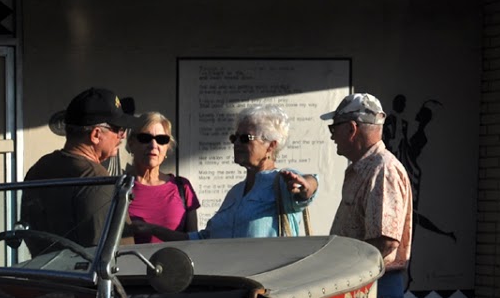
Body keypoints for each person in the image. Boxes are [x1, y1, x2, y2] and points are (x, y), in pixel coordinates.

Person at [323, 91, 414, 298]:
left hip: (374, 285)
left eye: (333, 128)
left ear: (351, 129)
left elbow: (384, 241)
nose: (332, 136)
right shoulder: (366, 168)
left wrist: (346, 276)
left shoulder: (382, 170)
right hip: (364, 284)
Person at [144, 105, 318, 242]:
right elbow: (204, 239)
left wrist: (306, 186)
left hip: (271, 285)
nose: (237, 144)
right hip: (237, 284)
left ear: (271, 146)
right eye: (234, 138)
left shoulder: (282, 181)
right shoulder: (235, 193)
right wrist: (152, 229)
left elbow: (308, 185)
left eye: (245, 139)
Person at [19, 87, 129, 255]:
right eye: (118, 129)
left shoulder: (40, 168)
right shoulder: (96, 179)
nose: (122, 136)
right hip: (83, 279)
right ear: (96, 135)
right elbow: (104, 254)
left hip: (43, 275)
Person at [122, 111, 199, 245]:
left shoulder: (182, 187)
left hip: (174, 264)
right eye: (145, 138)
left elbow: (193, 242)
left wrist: (154, 230)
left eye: (161, 140)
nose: (153, 145)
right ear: (131, 143)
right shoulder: (118, 187)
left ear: (167, 148)